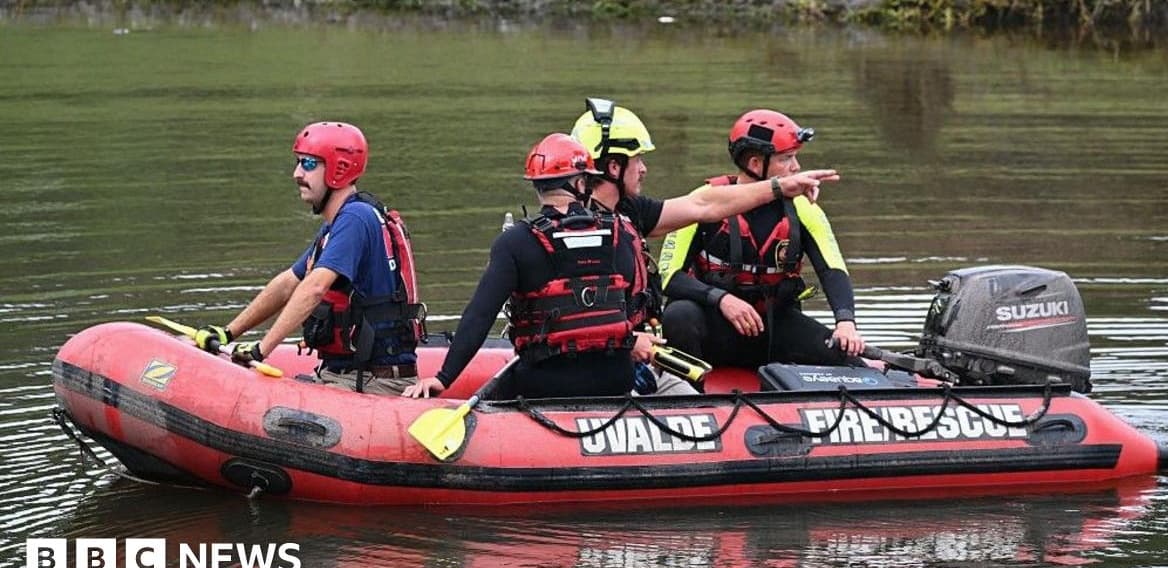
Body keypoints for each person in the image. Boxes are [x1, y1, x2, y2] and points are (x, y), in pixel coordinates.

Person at [568, 99, 841, 391]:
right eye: (638, 160)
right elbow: (578, 314)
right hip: (602, 358)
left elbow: (704, 204)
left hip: (631, 351)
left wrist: (781, 187)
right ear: (613, 166)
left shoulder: (633, 212)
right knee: (679, 316)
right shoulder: (573, 232)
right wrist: (629, 340)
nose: (644, 169)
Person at [402, 133, 648, 399]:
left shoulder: (515, 242)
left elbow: (480, 316)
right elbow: (632, 310)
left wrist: (444, 377)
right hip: (615, 380)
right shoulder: (619, 234)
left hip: (546, 383)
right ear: (580, 183)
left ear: (538, 186)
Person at [193, 121, 424, 395]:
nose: (296, 173)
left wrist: (261, 349)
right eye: (298, 162)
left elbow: (314, 288)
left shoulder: (355, 220)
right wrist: (229, 333)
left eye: (309, 164)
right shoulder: (339, 223)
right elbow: (289, 282)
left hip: (374, 383)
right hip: (348, 375)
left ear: (338, 169)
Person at [657, 109, 865, 371]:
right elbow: (668, 276)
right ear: (756, 164)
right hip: (713, 328)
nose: (796, 168)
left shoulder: (804, 207)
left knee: (851, 363)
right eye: (786, 159)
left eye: (795, 158)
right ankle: (686, 399)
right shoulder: (703, 201)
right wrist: (721, 299)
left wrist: (845, 322)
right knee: (678, 315)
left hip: (775, 327)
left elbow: (832, 269)